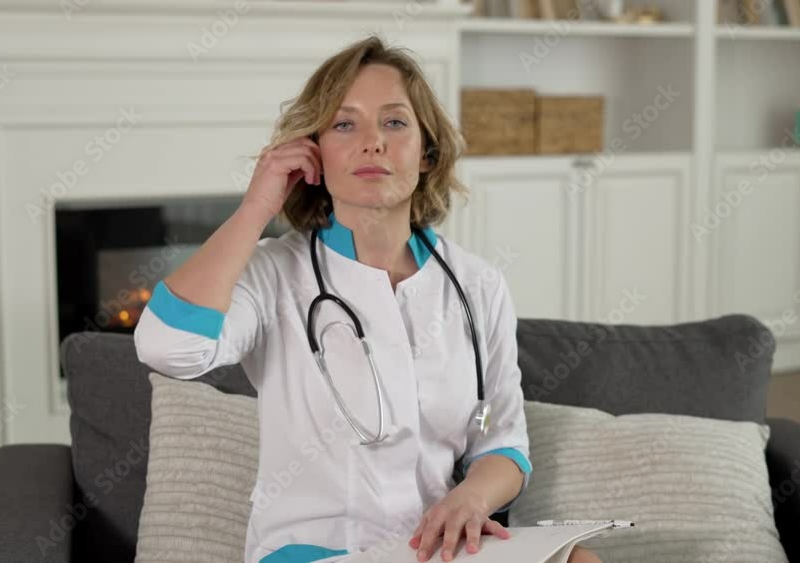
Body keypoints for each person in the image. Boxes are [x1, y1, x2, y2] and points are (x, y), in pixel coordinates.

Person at [133, 35, 601, 563]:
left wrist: (471, 497)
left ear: (427, 153)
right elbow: (167, 348)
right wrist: (256, 208)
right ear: (315, 153)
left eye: (395, 122)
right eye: (344, 124)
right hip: (316, 552)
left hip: (433, 549)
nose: (373, 142)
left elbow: (496, 434)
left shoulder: (477, 286)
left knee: (580, 561)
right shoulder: (273, 274)